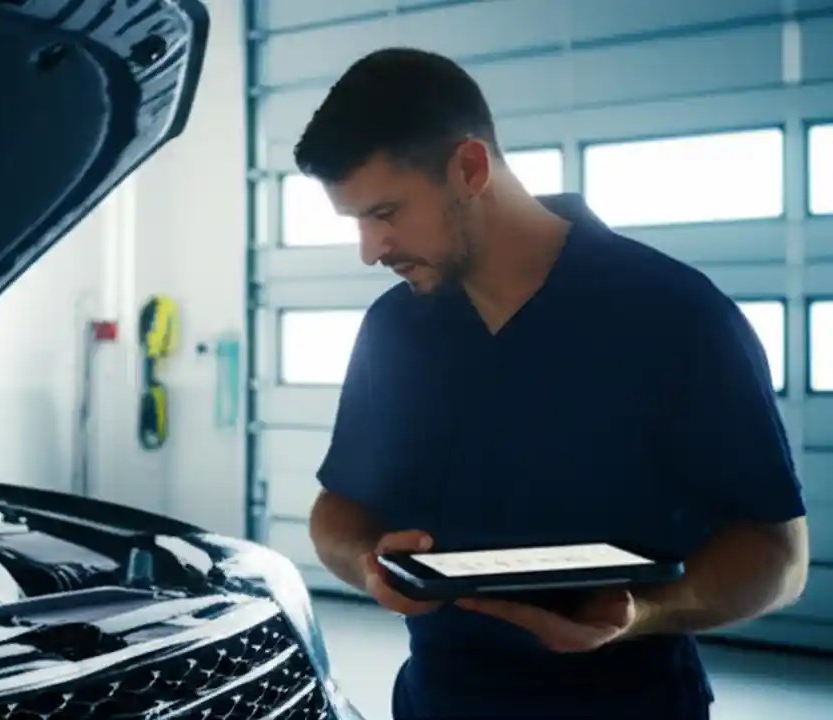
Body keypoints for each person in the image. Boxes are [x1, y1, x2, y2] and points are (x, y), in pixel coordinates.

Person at [295, 48, 811, 719]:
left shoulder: (673, 313)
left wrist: (643, 612)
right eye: (356, 221)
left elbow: (779, 555)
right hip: (435, 703)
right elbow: (338, 509)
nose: (370, 249)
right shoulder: (394, 328)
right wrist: (369, 561)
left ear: (470, 167)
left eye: (385, 212)